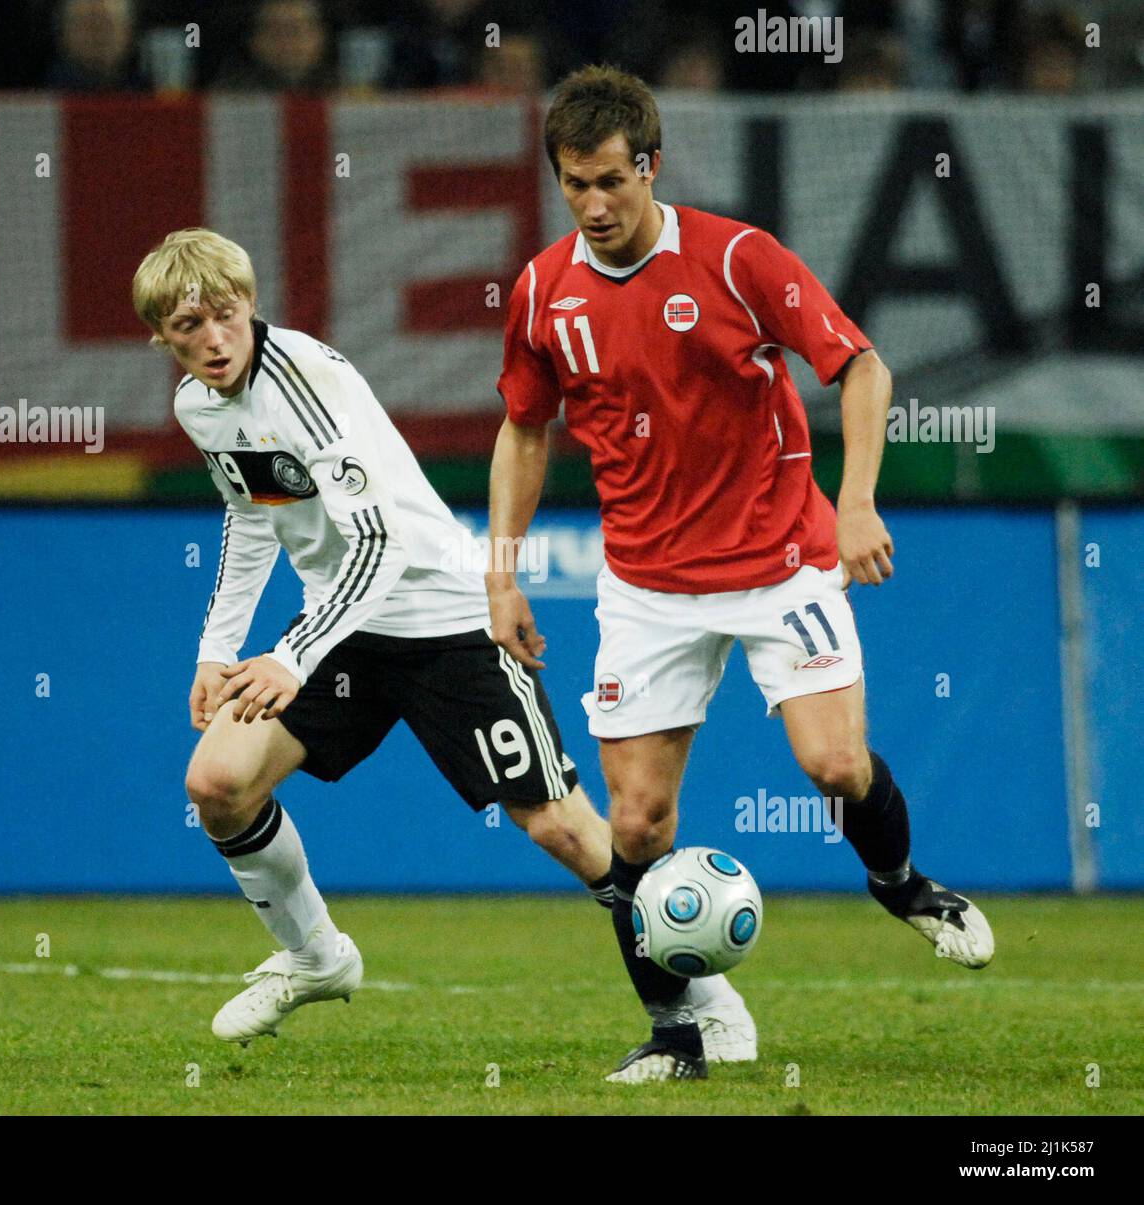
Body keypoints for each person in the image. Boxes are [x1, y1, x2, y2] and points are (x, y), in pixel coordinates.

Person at [487, 66, 995, 1084]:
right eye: (573, 184)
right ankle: (675, 1036)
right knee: (633, 821)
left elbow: (859, 364)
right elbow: (523, 427)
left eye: (610, 183)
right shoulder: (544, 290)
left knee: (834, 767)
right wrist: (500, 571)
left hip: (779, 562)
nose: (592, 205)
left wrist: (853, 501)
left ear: (650, 167)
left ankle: (899, 882)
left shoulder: (735, 258)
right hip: (644, 583)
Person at [131, 227, 748, 1053]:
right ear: (161, 338)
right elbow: (253, 515)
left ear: (251, 305)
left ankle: (702, 1001)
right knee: (217, 781)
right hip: (343, 627)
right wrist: (217, 647)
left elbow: (380, 548)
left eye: (224, 316)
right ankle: (315, 957)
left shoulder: (307, 382)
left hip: (444, 620)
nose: (211, 339)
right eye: (186, 327)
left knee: (563, 827)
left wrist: (291, 654)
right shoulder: (200, 406)